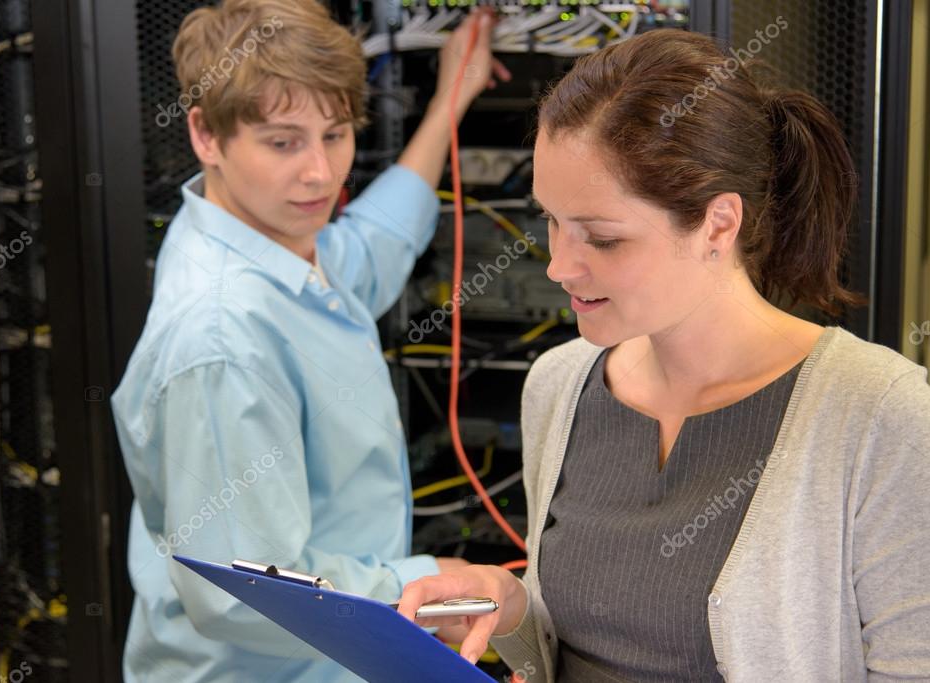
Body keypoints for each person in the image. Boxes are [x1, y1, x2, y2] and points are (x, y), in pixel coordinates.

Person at [398, 28, 930, 682]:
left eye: (601, 237)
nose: (559, 265)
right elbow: (574, 640)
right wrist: (511, 609)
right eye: (551, 221)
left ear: (717, 224)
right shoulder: (558, 386)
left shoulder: (882, 416)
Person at [110, 2, 510, 681]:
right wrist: (423, 580)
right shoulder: (223, 339)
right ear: (207, 135)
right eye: (283, 141)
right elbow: (248, 595)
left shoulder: (265, 239)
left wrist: (451, 98)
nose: (321, 174)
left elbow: (372, 247)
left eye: (336, 133)